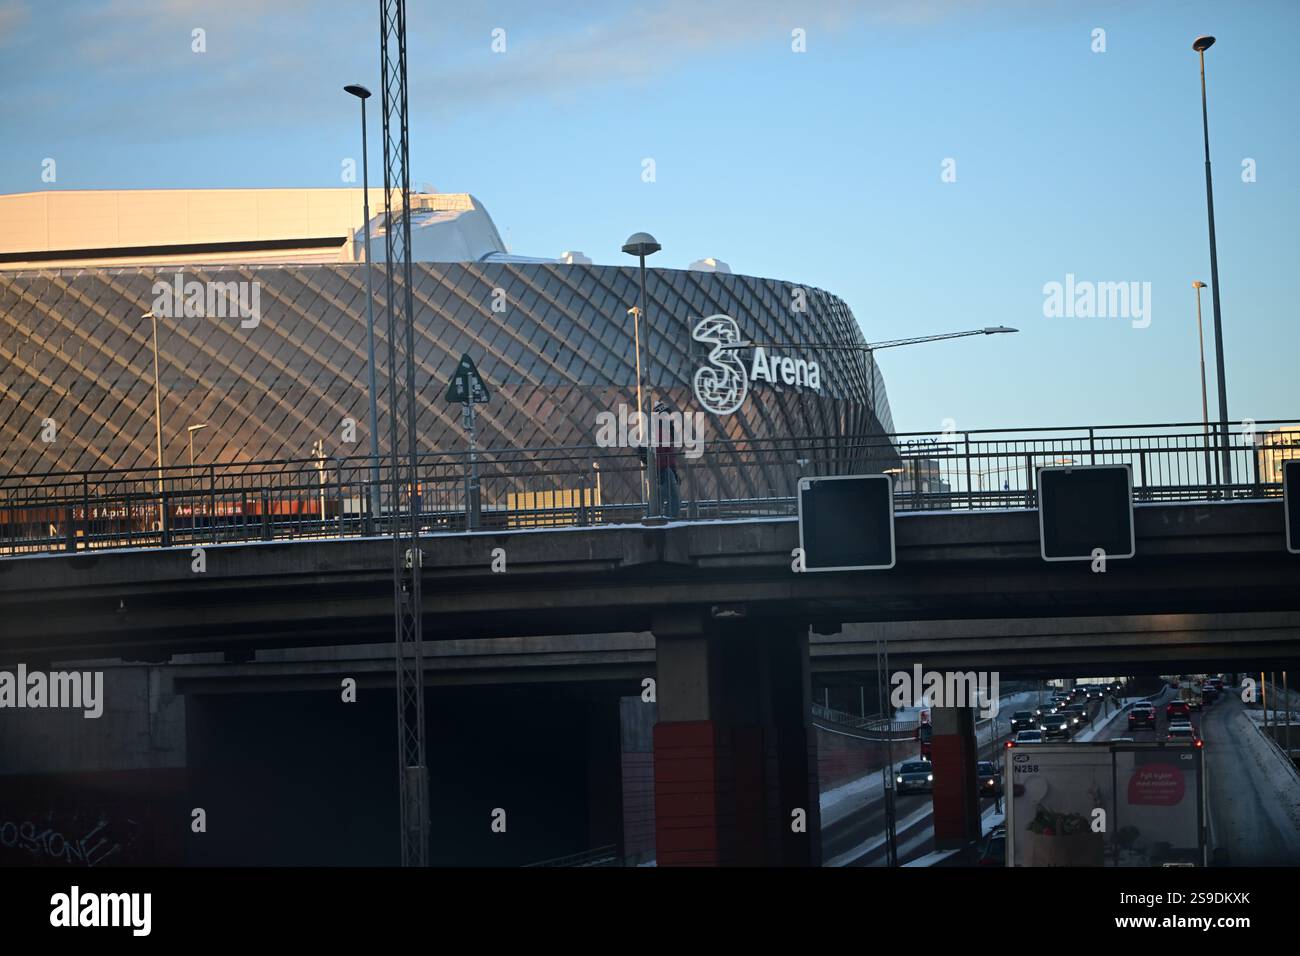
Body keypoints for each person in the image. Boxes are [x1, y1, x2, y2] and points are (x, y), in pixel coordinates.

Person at [652, 400, 681, 518]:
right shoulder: (661, 431)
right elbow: (665, 453)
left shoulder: (660, 430)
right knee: (674, 497)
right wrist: (671, 470)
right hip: (664, 468)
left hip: (662, 468)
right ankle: (671, 520)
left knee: (659, 497)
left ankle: (653, 517)